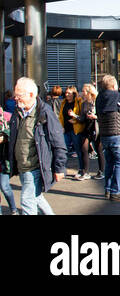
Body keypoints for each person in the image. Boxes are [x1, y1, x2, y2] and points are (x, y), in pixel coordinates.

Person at [7, 77, 67, 214]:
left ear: (31, 95)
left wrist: (60, 168)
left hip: (34, 167)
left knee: (27, 202)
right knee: (36, 197)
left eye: (19, 95)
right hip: (22, 167)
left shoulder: (45, 113)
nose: (16, 98)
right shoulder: (18, 112)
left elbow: (58, 142)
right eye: (15, 95)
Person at [74, 84, 104, 180]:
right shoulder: (84, 103)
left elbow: (103, 115)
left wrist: (95, 117)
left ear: (89, 92)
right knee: (84, 148)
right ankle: (85, 172)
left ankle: (101, 171)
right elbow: (82, 118)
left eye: (84, 91)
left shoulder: (97, 101)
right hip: (87, 126)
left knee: (99, 149)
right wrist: (74, 116)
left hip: (96, 126)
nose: (82, 93)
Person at [0, 108, 17, 214]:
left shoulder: (7, 117)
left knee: (4, 187)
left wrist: (5, 136)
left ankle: (13, 209)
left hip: (3, 160)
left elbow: (13, 134)